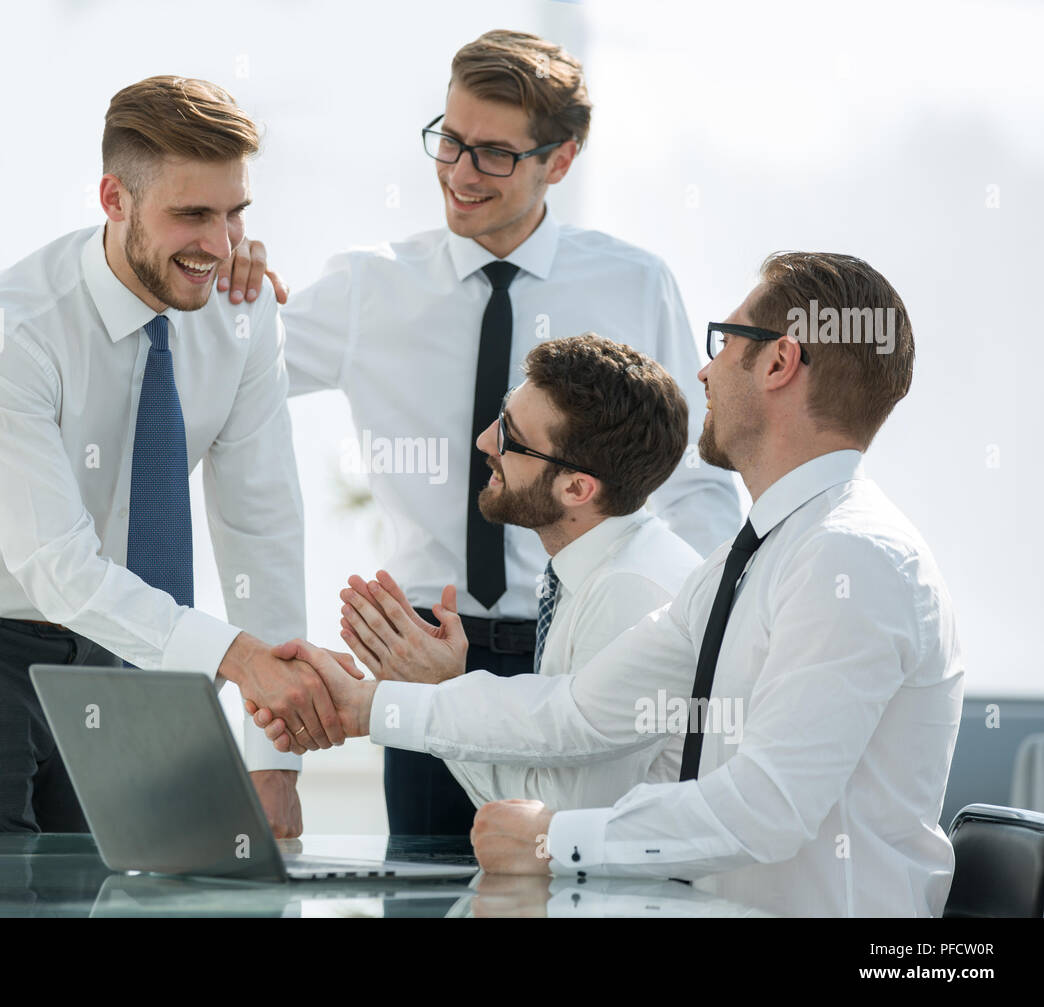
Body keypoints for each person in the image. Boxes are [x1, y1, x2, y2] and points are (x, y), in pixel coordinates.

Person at [252, 252, 965, 917]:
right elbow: (573, 712)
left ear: (780, 361)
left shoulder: (850, 559)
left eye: (723, 342)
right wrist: (367, 705)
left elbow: (766, 808)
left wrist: (555, 837)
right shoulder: (746, 558)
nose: (705, 373)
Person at [222, 29, 740, 835]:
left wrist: (680, 636)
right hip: (424, 639)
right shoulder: (371, 284)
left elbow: (699, 480)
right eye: (451, 142)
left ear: (559, 161)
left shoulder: (633, 284)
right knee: (423, 882)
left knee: (564, 871)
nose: (460, 174)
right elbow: (231, 379)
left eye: (494, 154)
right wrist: (229, 291)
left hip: (582, 644)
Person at [0, 76, 357, 840]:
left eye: (234, 214)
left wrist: (273, 760)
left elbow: (261, 524)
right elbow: (56, 566)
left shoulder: (242, 310)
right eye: (191, 214)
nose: (221, 245)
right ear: (113, 198)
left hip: (116, 628)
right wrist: (236, 657)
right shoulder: (7, 330)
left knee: (120, 879)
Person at [336, 333, 700, 811]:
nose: (485, 441)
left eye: (512, 437)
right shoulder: (605, 567)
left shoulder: (627, 593)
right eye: (502, 415)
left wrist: (440, 694)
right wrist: (444, 696)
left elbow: (557, 817)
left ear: (576, 488)